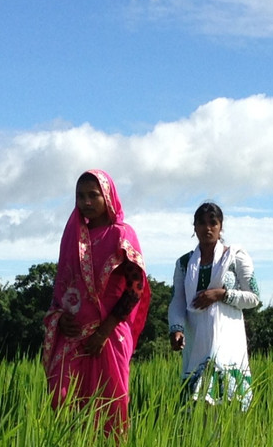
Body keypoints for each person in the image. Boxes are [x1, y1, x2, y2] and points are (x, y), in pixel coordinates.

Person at [41, 170, 150, 433]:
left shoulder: (122, 235)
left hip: (109, 336)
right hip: (72, 336)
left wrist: (103, 332)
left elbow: (136, 287)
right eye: (80, 196)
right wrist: (60, 317)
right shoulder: (73, 237)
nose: (86, 201)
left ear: (108, 196)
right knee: (62, 401)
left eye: (93, 195)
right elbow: (64, 287)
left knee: (110, 405)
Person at [169, 201, 259, 410]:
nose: (207, 228)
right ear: (194, 227)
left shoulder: (235, 256)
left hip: (227, 335)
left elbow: (254, 297)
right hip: (197, 334)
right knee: (198, 405)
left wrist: (222, 294)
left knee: (228, 402)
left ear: (221, 226)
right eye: (201, 223)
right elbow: (178, 301)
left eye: (213, 223)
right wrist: (176, 329)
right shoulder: (184, 263)